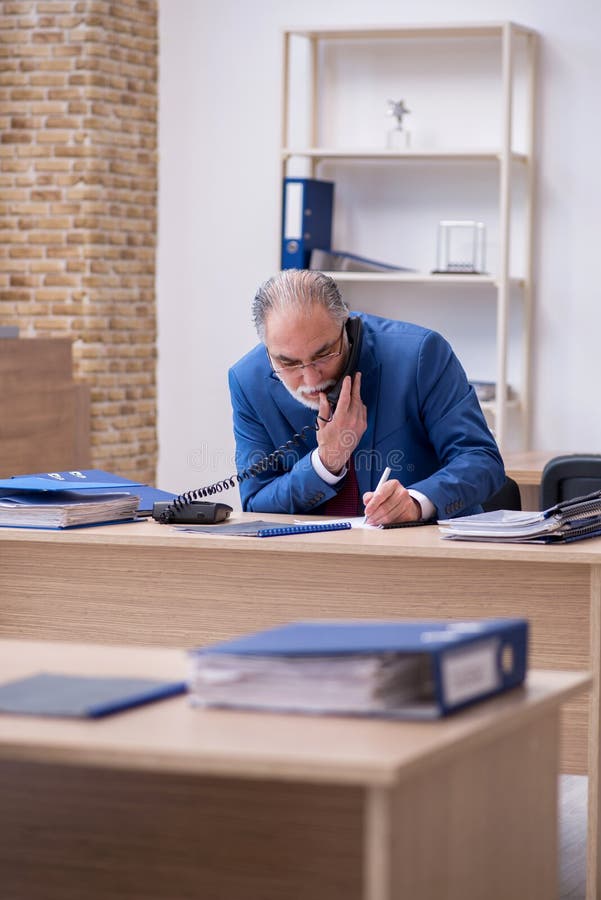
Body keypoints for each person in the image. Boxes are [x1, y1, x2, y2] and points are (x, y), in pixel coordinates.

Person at [228, 269, 505, 525]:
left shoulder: (420, 356)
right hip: (313, 556)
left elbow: (481, 459)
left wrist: (417, 502)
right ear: (268, 350)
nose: (311, 380)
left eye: (324, 354)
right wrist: (325, 463)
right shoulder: (248, 380)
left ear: (346, 326)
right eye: (288, 363)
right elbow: (256, 502)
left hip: (424, 550)